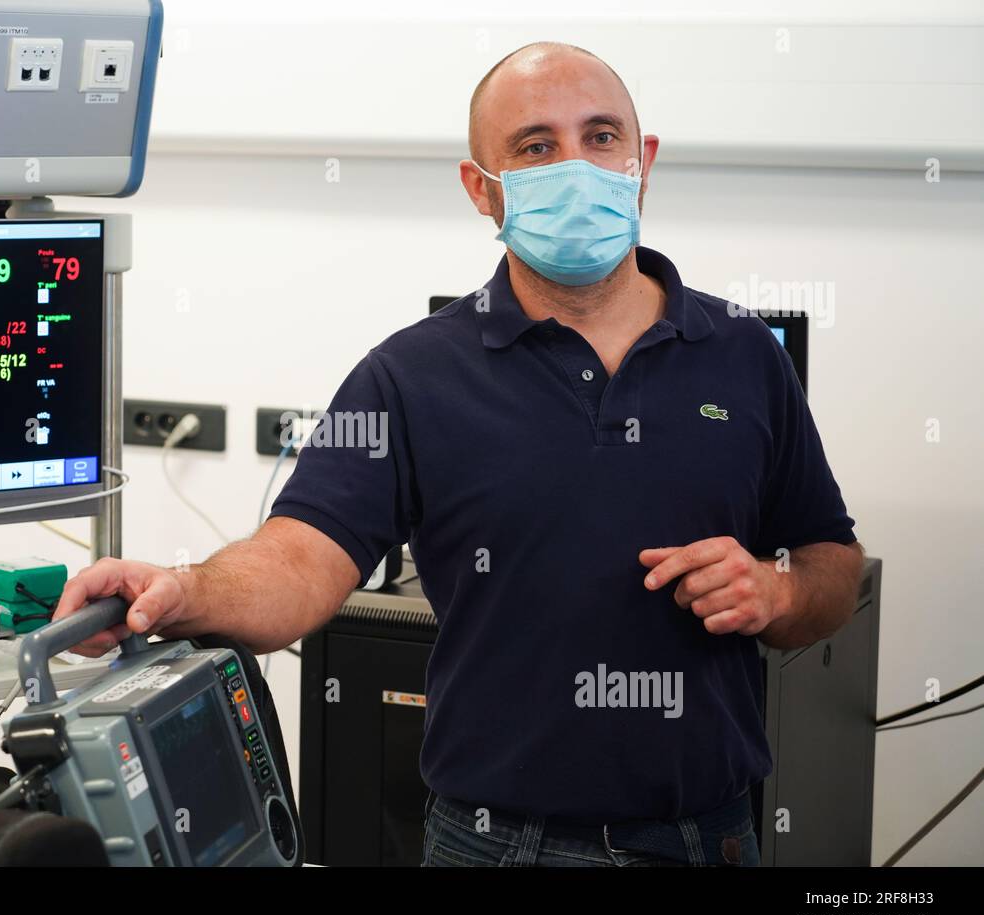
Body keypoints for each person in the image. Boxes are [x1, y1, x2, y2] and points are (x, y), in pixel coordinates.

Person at [53, 42, 864, 867]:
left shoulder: (743, 353)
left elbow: (834, 566)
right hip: (495, 845)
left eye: (601, 135)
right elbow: (298, 560)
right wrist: (181, 589)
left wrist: (776, 589)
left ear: (641, 161)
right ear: (483, 188)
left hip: (709, 839)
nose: (576, 165)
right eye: (536, 147)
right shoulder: (408, 375)